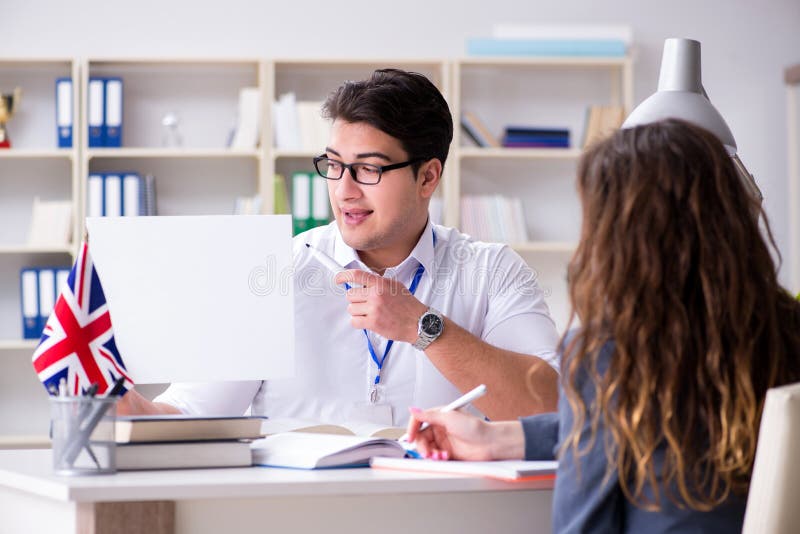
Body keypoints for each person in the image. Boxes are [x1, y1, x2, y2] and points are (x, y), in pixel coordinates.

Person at [406, 119, 800, 532]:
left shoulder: (612, 356)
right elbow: (623, 425)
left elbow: (584, 524)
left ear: (618, 240)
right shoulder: (783, 332)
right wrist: (497, 439)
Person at [119, 68, 560, 424]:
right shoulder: (273, 272)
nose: (344, 190)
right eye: (333, 165)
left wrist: (423, 327)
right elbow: (188, 414)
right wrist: (117, 398)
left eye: (368, 169)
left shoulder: (492, 271)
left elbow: (549, 407)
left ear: (428, 177)